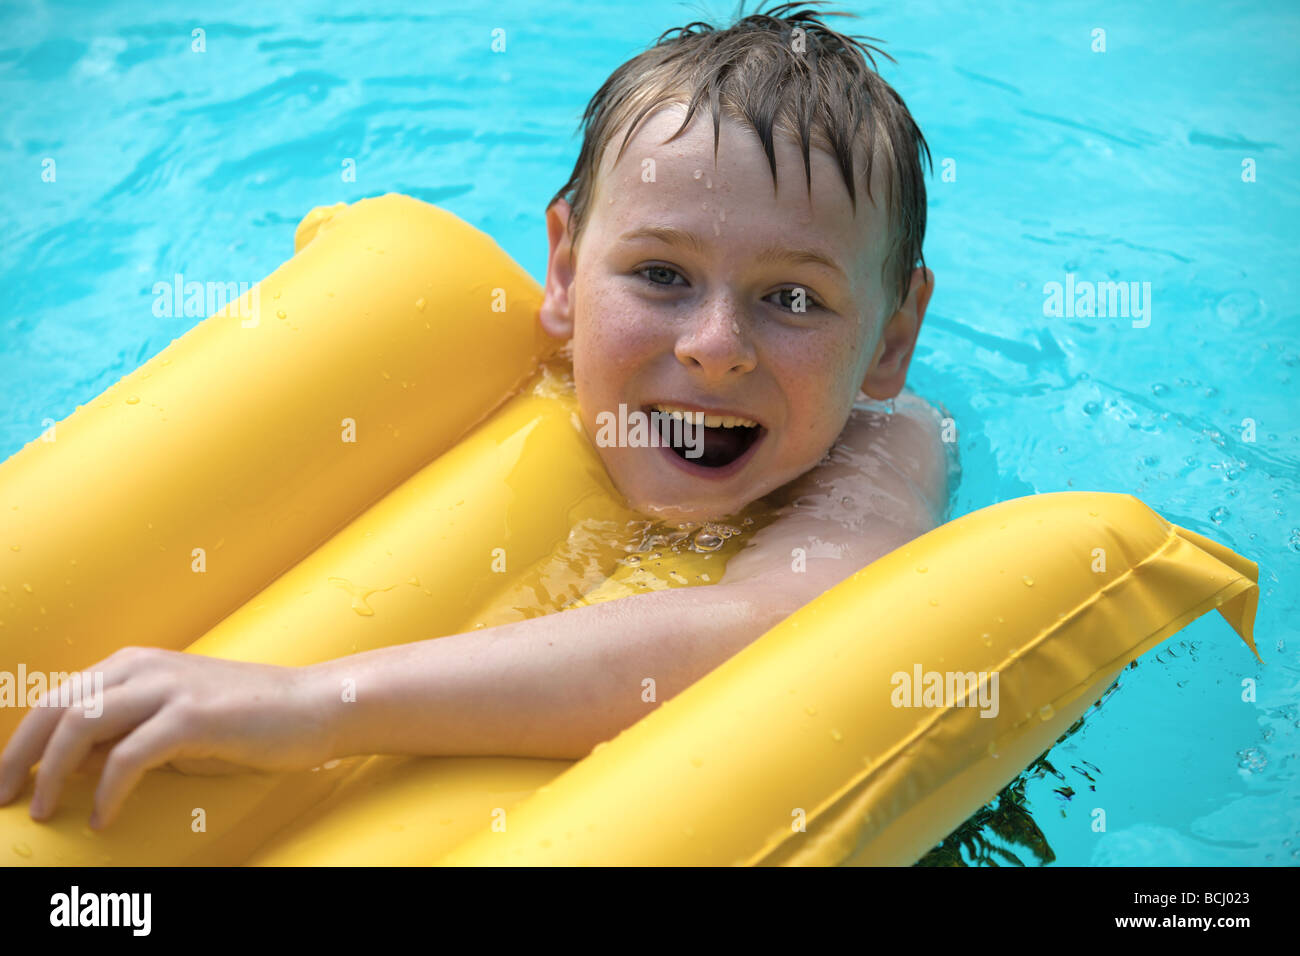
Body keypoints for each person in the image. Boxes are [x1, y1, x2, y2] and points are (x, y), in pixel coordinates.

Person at [0, 1, 952, 831]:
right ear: (568, 272)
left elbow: (775, 632)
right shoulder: (489, 383)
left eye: (792, 299)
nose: (714, 344)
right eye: (660, 275)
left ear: (889, 340)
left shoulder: (880, 451)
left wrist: (314, 703)